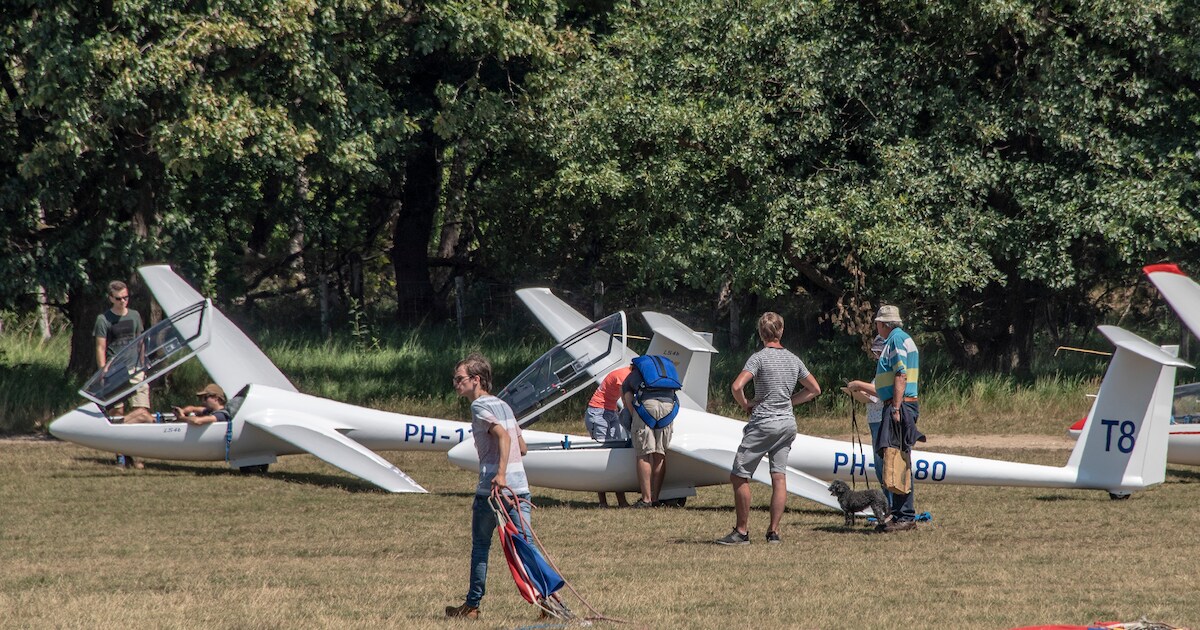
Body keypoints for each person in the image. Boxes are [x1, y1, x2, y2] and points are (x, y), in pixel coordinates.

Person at [716, 312, 821, 545]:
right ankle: (773, 532)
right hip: (787, 424)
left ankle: (741, 532)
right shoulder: (794, 359)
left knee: (738, 475)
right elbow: (814, 389)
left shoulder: (758, 358)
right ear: (781, 331)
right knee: (779, 477)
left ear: (761, 333)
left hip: (764, 423)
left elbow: (736, 386)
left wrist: (745, 404)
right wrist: (789, 402)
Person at [445, 353, 532, 620]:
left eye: (459, 379)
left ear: (476, 380)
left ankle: (472, 606)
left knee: (481, 546)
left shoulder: (479, 406)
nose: (455, 384)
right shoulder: (503, 405)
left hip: (493, 490)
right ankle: (549, 601)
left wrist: (500, 472)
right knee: (527, 547)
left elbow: (504, 437)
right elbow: (523, 447)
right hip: (521, 488)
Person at [872, 305, 925, 533]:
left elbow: (900, 373)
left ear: (884, 324)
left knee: (896, 459)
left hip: (899, 405)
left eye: (877, 323)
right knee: (896, 457)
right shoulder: (905, 339)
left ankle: (903, 515)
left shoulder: (894, 341)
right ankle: (900, 514)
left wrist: (895, 406)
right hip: (903, 404)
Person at [94, 279, 150, 469]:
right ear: (111, 298)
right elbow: (101, 347)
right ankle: (120, 456)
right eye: (119, 298)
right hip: (116, 370)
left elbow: (140, 341)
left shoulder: (135, 315)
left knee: (141, 412)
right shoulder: (104, 319)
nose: (123, 301)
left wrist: (143, 364)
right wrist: (103, 371)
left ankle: (137, 455)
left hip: (135, 369)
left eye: (126, 297)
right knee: (117, 413)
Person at [622, 359, 678, 508]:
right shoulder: (665, 376)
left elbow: (627, 398)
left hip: (646, 407)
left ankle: (646, 499)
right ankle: (655, 498)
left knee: (644, 453)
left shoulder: (633, 376)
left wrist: (636, 416)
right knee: (660, 453)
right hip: (669, 407)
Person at [842, 335, 891, 502]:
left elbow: (881, 391)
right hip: (875, 420)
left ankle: (891, 504)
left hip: (882, 421)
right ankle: (887, 503)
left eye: (879, 352)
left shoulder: (888, 369)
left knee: (883, 464)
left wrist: (858, 385)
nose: (877, 356)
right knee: (879, 465)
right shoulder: (882, 370)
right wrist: (860, 393)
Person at [584, 366, 632, 507]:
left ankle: (621, 501)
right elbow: (626, 399)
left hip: (611, 411)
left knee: (615, 454)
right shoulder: (623, 375)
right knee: (601, 455)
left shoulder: (629, 374)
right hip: (597, 412)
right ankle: (603, 502)